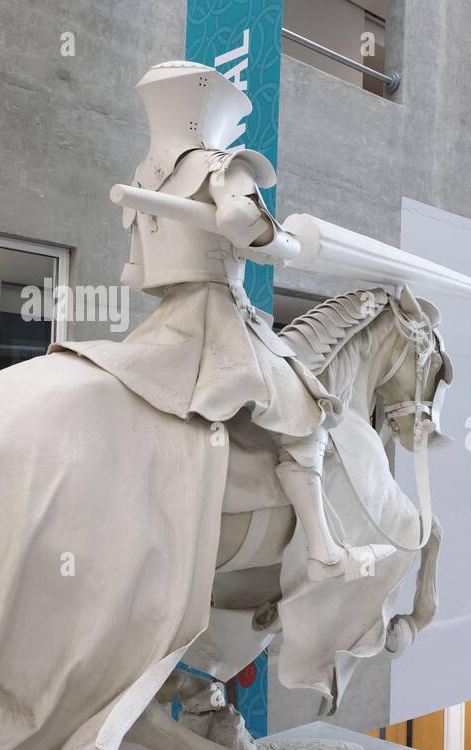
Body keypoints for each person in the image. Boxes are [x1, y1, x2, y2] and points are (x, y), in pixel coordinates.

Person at [54, 61, 389, 582]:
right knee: (307, 414)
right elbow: (241, 223)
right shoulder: (225, 165)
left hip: (166, 317)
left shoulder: (144, 179)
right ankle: (324, 552)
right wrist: (285, 243)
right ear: (210, 102)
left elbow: (136, 271)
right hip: (219, 311)